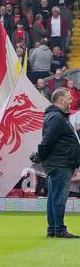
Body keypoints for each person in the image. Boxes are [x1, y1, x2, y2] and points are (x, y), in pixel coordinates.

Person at [34, 88, 80, 238]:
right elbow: (47, 140)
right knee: (59, 197)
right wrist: (40, 154)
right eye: (68, 97)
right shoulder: (57, 117)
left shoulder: (55, 116)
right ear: (61, 99)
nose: (71, 100)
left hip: (59, 162)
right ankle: (59, 229)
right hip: (60, 163)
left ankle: (53, 229)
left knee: (54, 197)